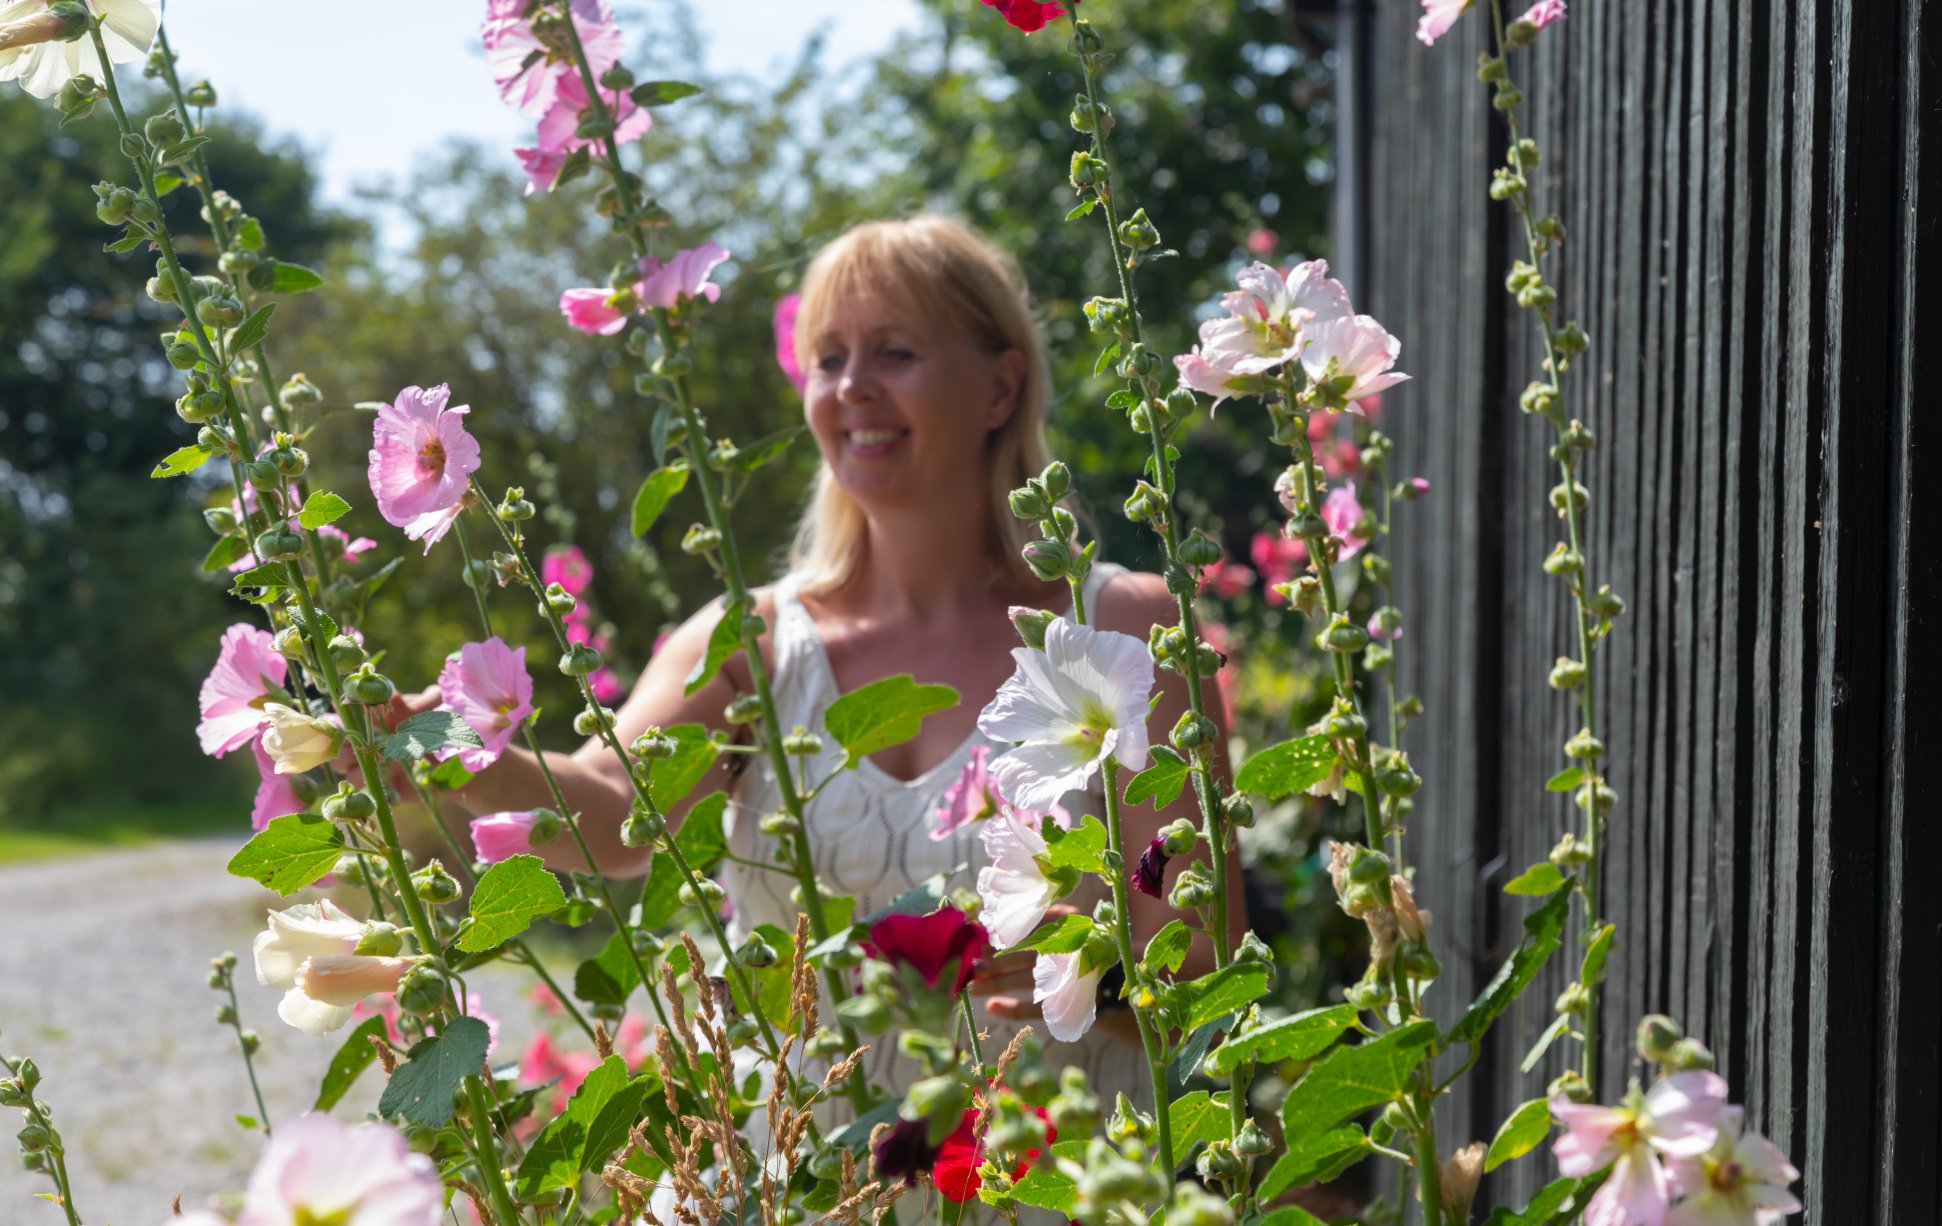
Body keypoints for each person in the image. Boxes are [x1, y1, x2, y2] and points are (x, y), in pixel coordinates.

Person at [406, 213, 1242, 1113]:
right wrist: (453, 756)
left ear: (1001, 388)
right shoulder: (751, 645)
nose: (852, 388)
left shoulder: (1124, 629)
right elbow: (616, 811)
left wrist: (1090, 967)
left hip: (1060, 1182)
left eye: (894, 353)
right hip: (806, 1185)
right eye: (829, 360)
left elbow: (1204, 973)